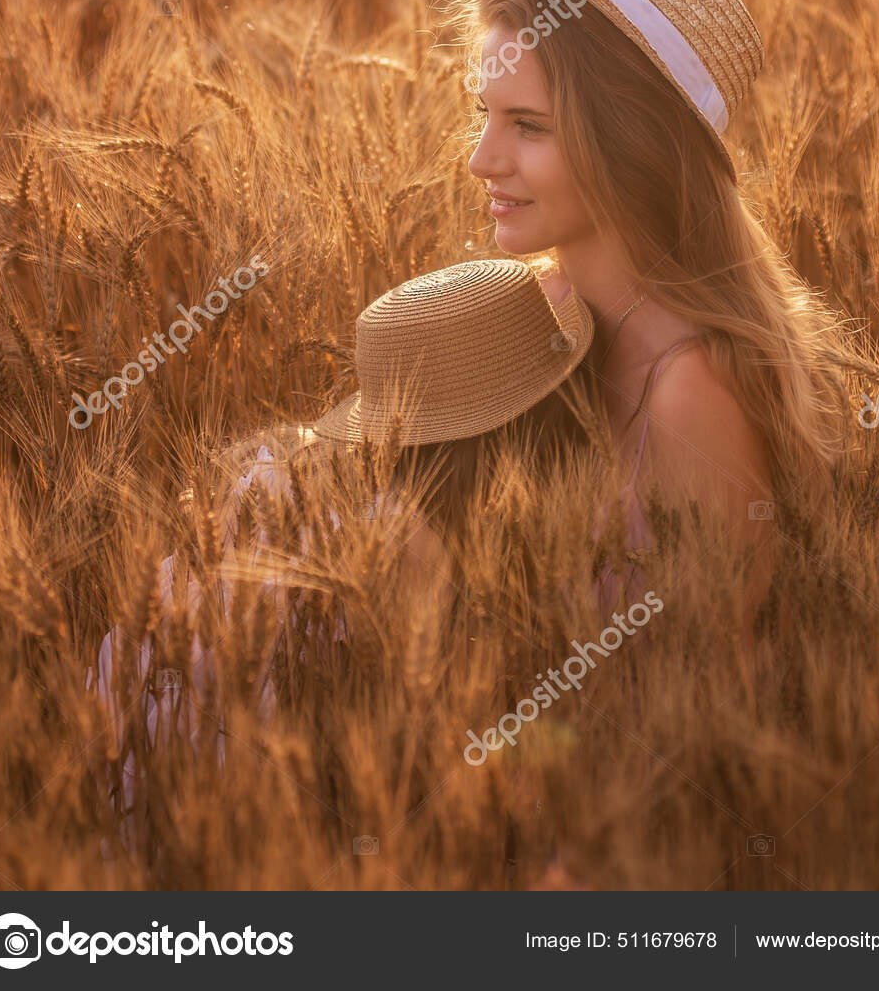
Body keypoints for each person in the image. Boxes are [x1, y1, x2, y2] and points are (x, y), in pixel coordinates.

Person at [448, 0, 872, 640]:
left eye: (528, 125)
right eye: (484, 115)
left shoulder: (689, 393)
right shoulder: (536, 310)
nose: (480, 159)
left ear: (628, 144)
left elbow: (699, 691)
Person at [86, 257, 596, 858]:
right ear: (529, 426)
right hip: (235, 832)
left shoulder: (287, 476)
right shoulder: (412, 549)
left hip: (133, 784)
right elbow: (453, 758)